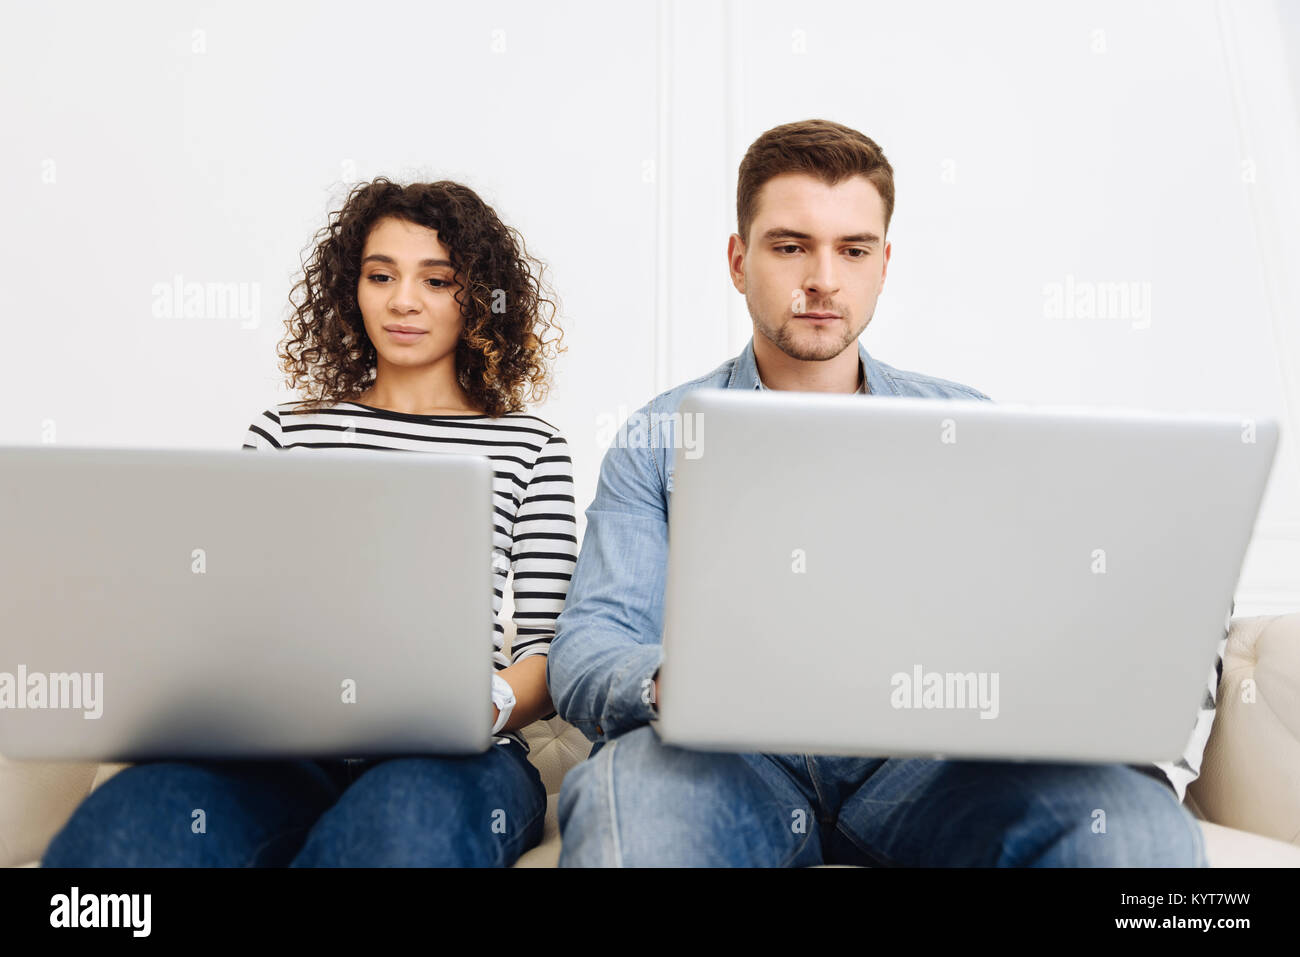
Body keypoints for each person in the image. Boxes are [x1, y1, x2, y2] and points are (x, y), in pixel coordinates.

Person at [547, 119, 1211, 867]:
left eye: (853, 250)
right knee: (635, 795)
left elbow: (1041, 615)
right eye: (790, 245)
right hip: (729, 762)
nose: (824, 278)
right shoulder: (658, 433)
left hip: (925, 769)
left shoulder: (967, 424)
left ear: (884, 263)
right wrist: (673, 681)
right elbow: (588, 646)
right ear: (738, 261)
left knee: (1126, 818)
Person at [43, 178, 574, 867]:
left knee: (399, 833)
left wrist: (486, 702)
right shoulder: (284, 433)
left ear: (476, 296)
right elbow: (222, 610)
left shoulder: (531, 446)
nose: (402, 300)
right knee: (129, 828)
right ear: (350, 289)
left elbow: (548, 649)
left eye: (436, 280)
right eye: (380, 275)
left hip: (451, 758)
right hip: (281, 752)